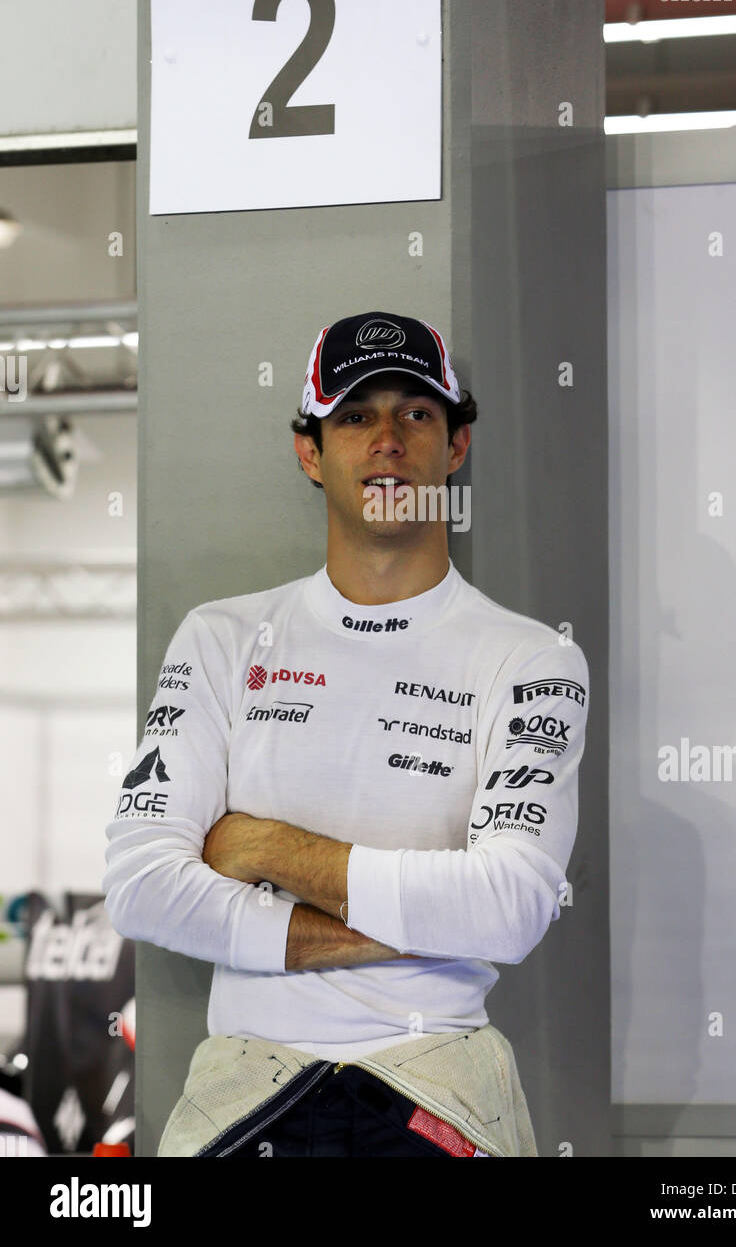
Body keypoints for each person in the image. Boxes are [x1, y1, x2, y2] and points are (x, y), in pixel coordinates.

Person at [102, 310, 590, 1158]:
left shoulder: (532, 658)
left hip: (437, 1085)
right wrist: (417, 922)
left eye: (416, 413)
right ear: (309, 452)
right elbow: (142, 884)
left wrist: (264, 845)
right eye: (355, 416)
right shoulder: (220, 638)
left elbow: (510, 908)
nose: (388, 441)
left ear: (456, 445)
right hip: (247, 1089)